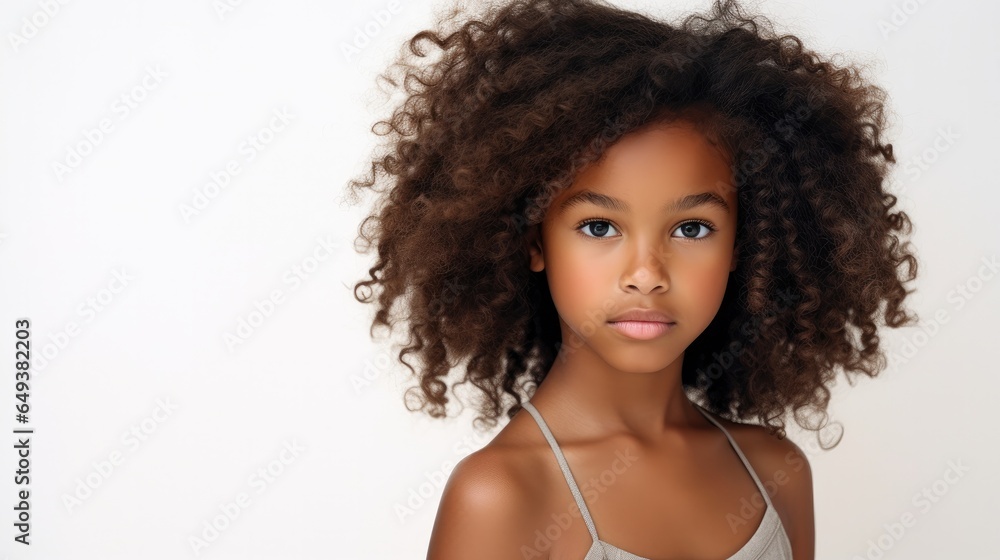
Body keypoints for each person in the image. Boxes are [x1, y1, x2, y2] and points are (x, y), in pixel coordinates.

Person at [345, 0, 919, 558]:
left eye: (692, 228)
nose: (646, 275)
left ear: (746, 244)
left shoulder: (776, 473)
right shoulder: (504, 497)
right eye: (599, 226)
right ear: (533, 240)